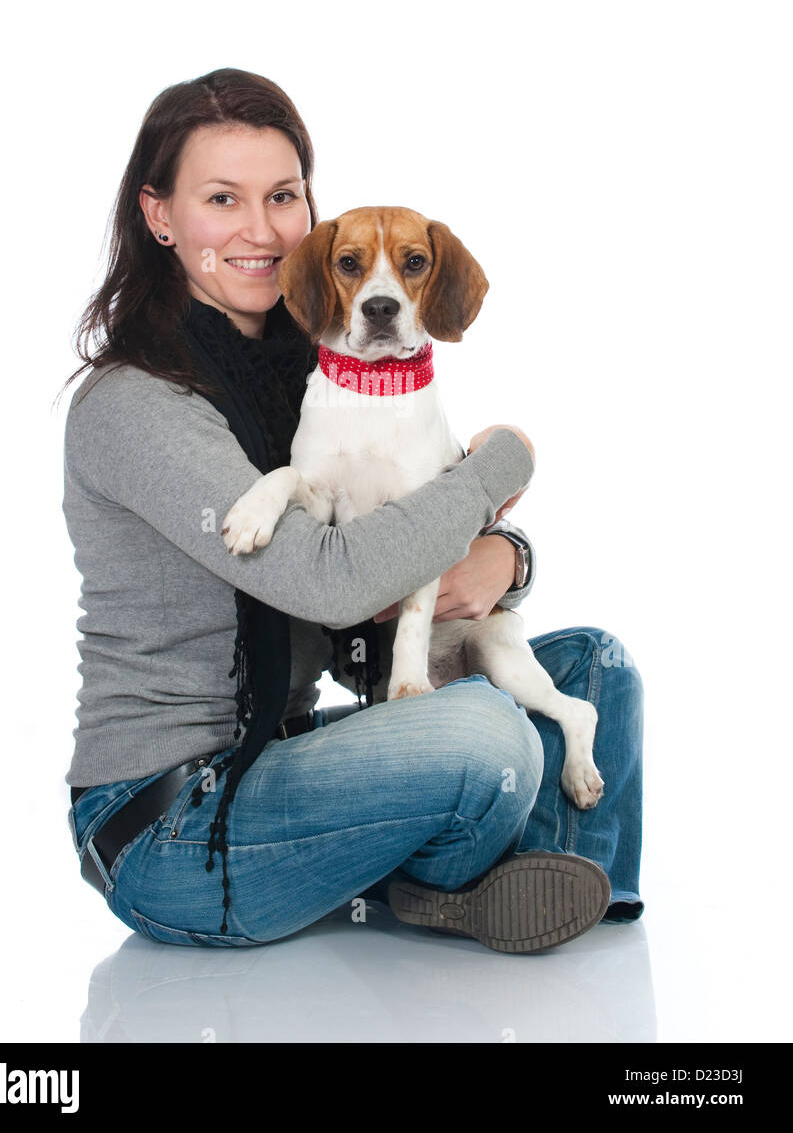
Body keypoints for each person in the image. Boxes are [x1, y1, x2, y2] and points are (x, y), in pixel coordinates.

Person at [61, 67, 644, 955]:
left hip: (285, 757)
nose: (261, 230)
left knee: (594, 666)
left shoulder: (323, 368)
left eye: (283, 196)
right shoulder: (137, 403)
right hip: (173, 823)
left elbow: (413, 522)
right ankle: (452, 878)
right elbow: (333, 581)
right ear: (161, 217)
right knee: (483, 728)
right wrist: (503, 463)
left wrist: (508, 557)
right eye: (223, 198)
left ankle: (556, 890)